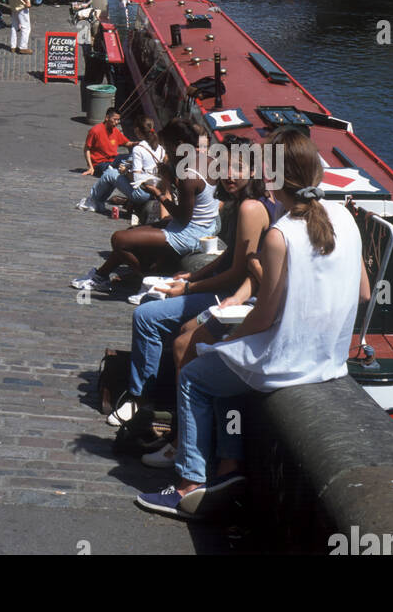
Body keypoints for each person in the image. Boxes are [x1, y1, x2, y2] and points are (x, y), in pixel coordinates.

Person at [135, 128, 368, 518]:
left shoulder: (281, 234)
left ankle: (189, 483)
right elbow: (362, 293)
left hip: (285, 362)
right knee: (223, 378)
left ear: (274, 178)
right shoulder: (345, 216)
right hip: (329, 360)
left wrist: (221, 345)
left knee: (195, 374)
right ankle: (228, 467)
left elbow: (264, 317)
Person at [104, 150, 277, 433]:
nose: (230, 175)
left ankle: (141, 399)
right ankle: (147, 393)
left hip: (236, 298)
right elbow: (230, 256)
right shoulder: (242, 202)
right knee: (152, 307)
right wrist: (194, 274)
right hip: (231, 291)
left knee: (147, 317)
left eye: (239, 168)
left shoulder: (250, 208)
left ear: (254, 171)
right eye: (225, 168)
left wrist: (188, 287)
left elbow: (236, 273)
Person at [72, 118, 217, 290]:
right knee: (131, 233)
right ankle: (101, 275)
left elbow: (183, 216)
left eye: (168, 146)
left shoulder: (189, 175)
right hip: (204, 224)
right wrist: (170, 180)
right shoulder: (207, 161)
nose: (168, 151)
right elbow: (196, 196)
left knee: (119, 239)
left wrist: (158, 194)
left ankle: (149, 279)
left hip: (191, 232)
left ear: (180, 144)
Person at [77, 116, 165, 215]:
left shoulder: (139, 149)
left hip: (142, 193)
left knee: (110, 174)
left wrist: (124, 172)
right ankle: (98, 201)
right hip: (155, 190)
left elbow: (137, 178)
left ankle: (93, 201)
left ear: (137, 130)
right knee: (115, 171)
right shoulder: (160, 148)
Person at [80, 106, 130, 182]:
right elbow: (87, 149)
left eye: (118, 120)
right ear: (107, 118)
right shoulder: (95, 130)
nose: (117, 122)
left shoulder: (115, 130)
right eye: (115, 119)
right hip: (100, 164)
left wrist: (139, 144)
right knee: (112, 169)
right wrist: (90, 167)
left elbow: (127, 143)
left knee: (132, 157)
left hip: (114, 160)